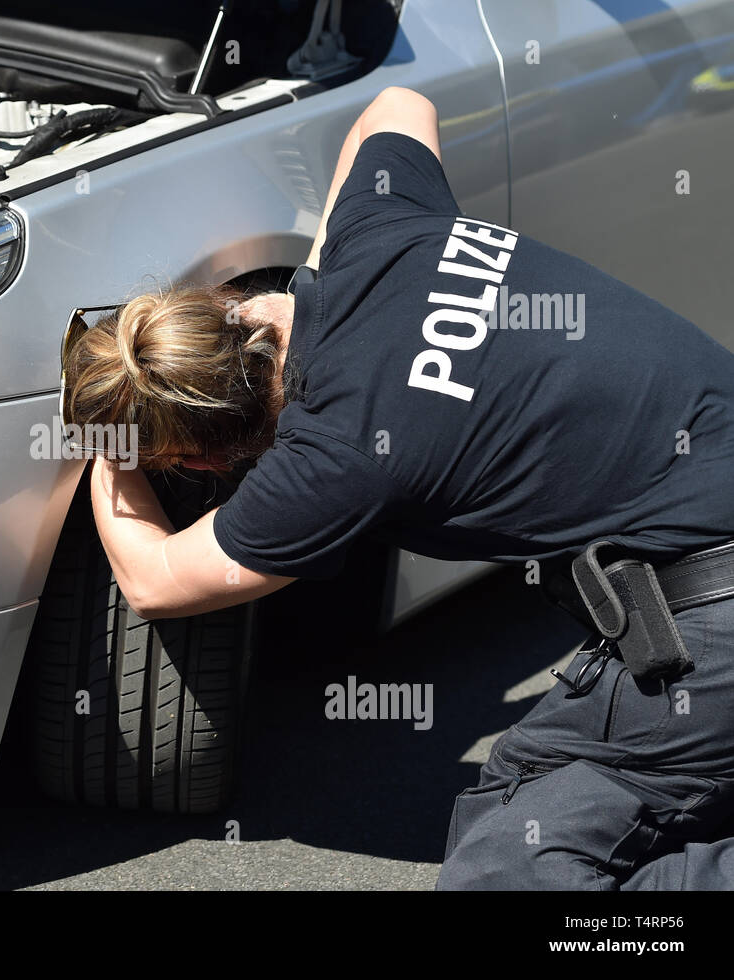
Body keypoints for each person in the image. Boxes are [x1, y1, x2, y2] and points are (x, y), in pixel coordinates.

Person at [61, 86, 734, 889]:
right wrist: (315, 266)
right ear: (226, 307)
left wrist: (108, 449)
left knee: (505, 871)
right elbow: (398, 104)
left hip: (716, 625)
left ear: (209, 465)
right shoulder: (379, 230)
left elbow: (153, 580)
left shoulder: (332, 458)